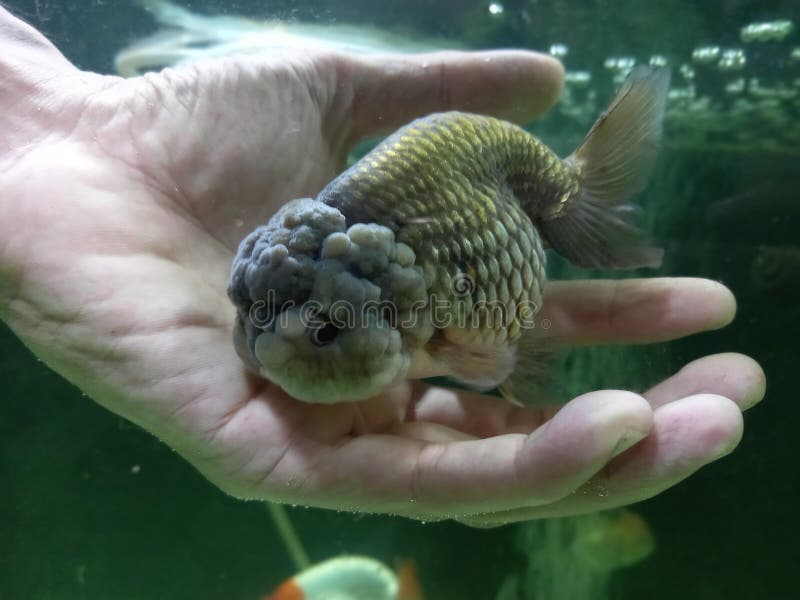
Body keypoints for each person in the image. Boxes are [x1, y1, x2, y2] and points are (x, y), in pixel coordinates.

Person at [0, 6, 764, 526]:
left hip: (490, 173)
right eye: (255, 316)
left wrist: (61, 131)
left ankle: (581, 195)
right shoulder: (322, 282)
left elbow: (497, 352)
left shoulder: (434, 322)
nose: (275, 342)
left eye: (327, 331)